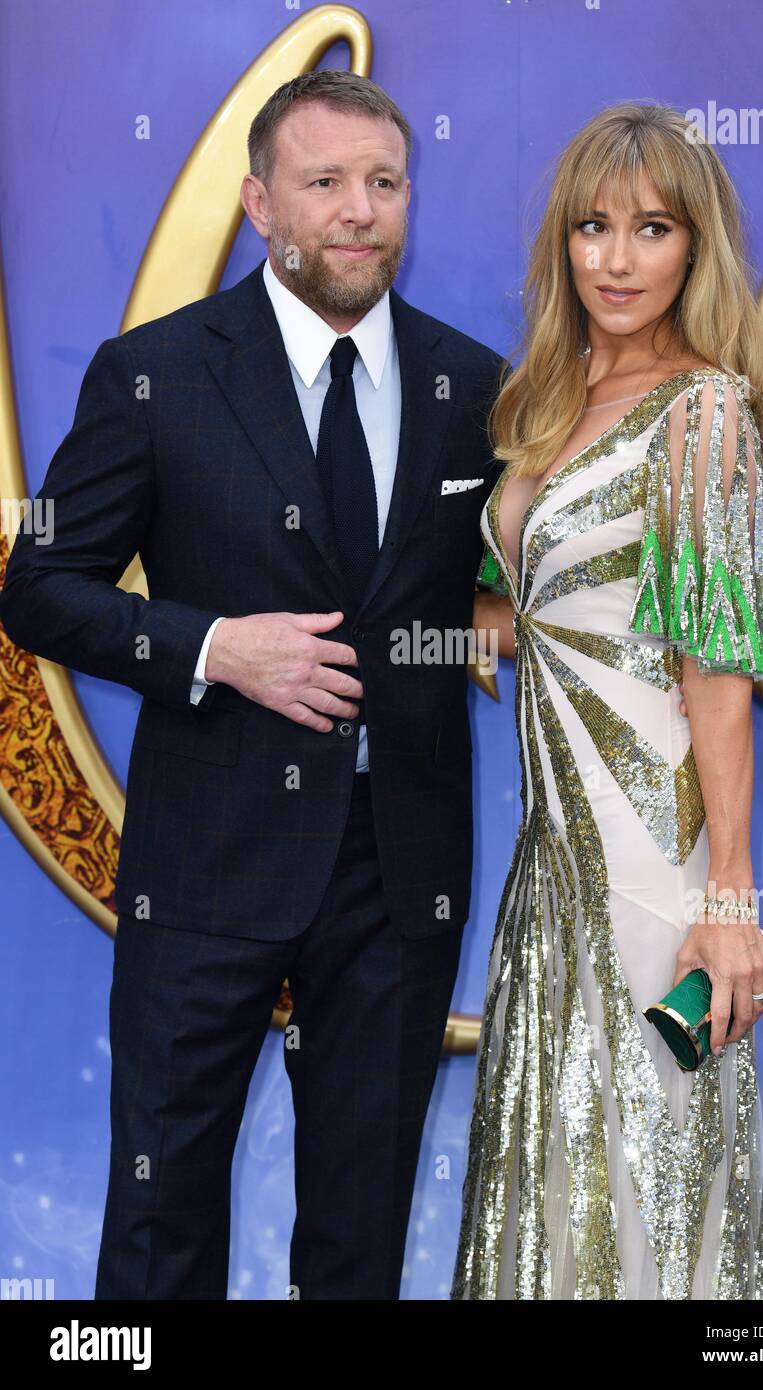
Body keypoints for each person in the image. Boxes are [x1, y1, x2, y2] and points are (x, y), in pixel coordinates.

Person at [0, 70, 505, 1300]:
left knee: (357, 1237)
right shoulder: (153, 373)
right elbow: (38, 588)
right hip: (207, 857)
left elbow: (491, 580)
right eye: (323, 181)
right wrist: (215, 648)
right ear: (258, 203)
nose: (358, 210)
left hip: (398, 868)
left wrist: (491, 611)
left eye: (383, 182)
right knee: (158, 1219)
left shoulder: (473, 386)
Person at [454, 102, 763, 1300]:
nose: (615, 258)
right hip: (552, 860)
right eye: (591, 226)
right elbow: (547, 591)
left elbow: (717, 672)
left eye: (651, 228)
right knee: (554, 1182)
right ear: (560, 240)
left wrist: (729, 900)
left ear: (694, 248)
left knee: (642, 1174)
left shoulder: (701, 410)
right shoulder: (544, 402)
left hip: (654, 865)